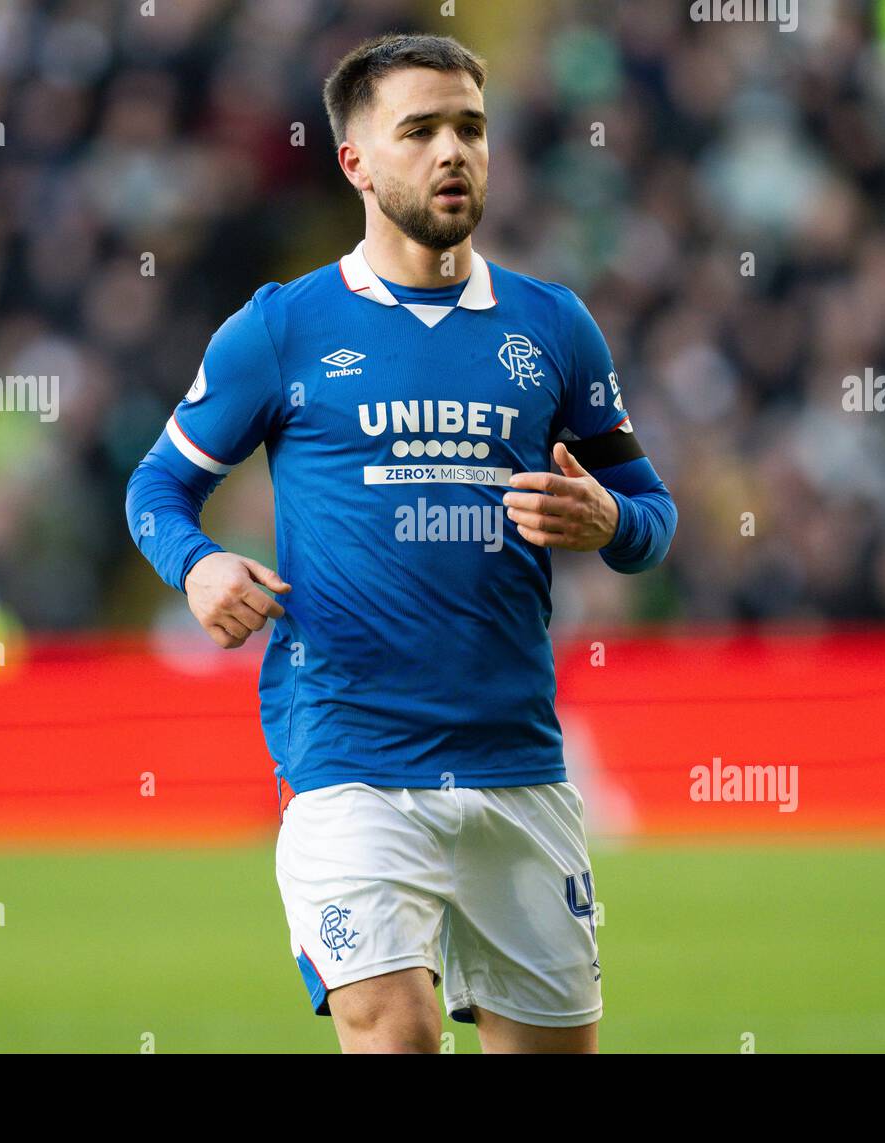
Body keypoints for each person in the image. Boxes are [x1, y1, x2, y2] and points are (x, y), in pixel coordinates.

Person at [125, 32, 677, 1053]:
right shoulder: (280, 329)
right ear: (357, 163)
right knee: (395, 1031)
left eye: (469, 127)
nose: (452, 152)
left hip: (516, 761)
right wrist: (196, 563)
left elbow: (651, 521)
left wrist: (608, 522)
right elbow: (159, 485)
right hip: (351, 762)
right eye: (418, 131)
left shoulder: (553, 328)